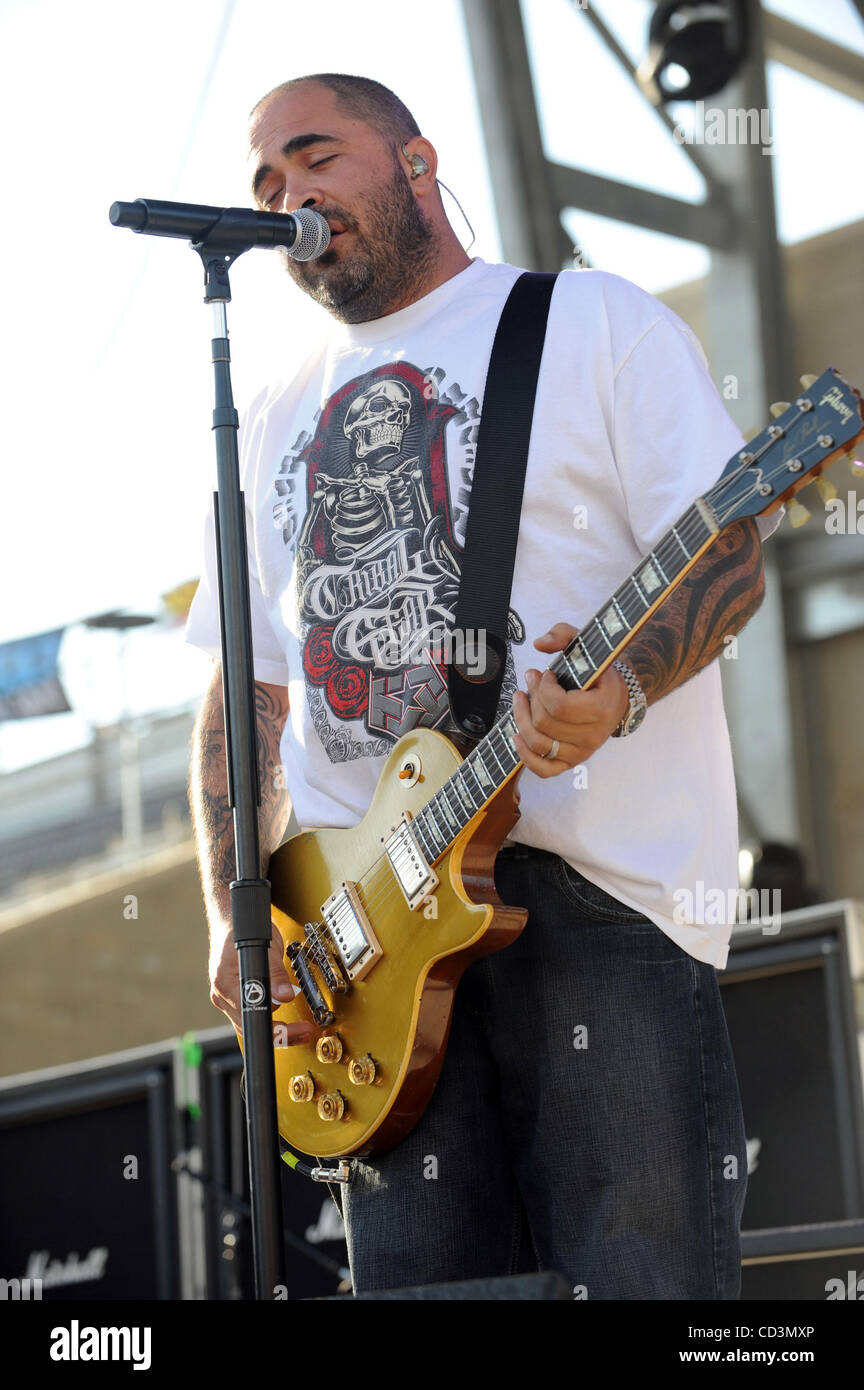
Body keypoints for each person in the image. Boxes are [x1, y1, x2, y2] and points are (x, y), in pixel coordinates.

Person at [185, 72, 776, 1300]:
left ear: (416, 161)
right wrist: (231, 914)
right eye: (264, 185)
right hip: (362, 955)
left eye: (315, 157)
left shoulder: (592, 322)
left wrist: (618, 698)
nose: (289, 194)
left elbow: (725, 556)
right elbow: (246, 697)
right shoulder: (269, 416)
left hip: (600, 902)